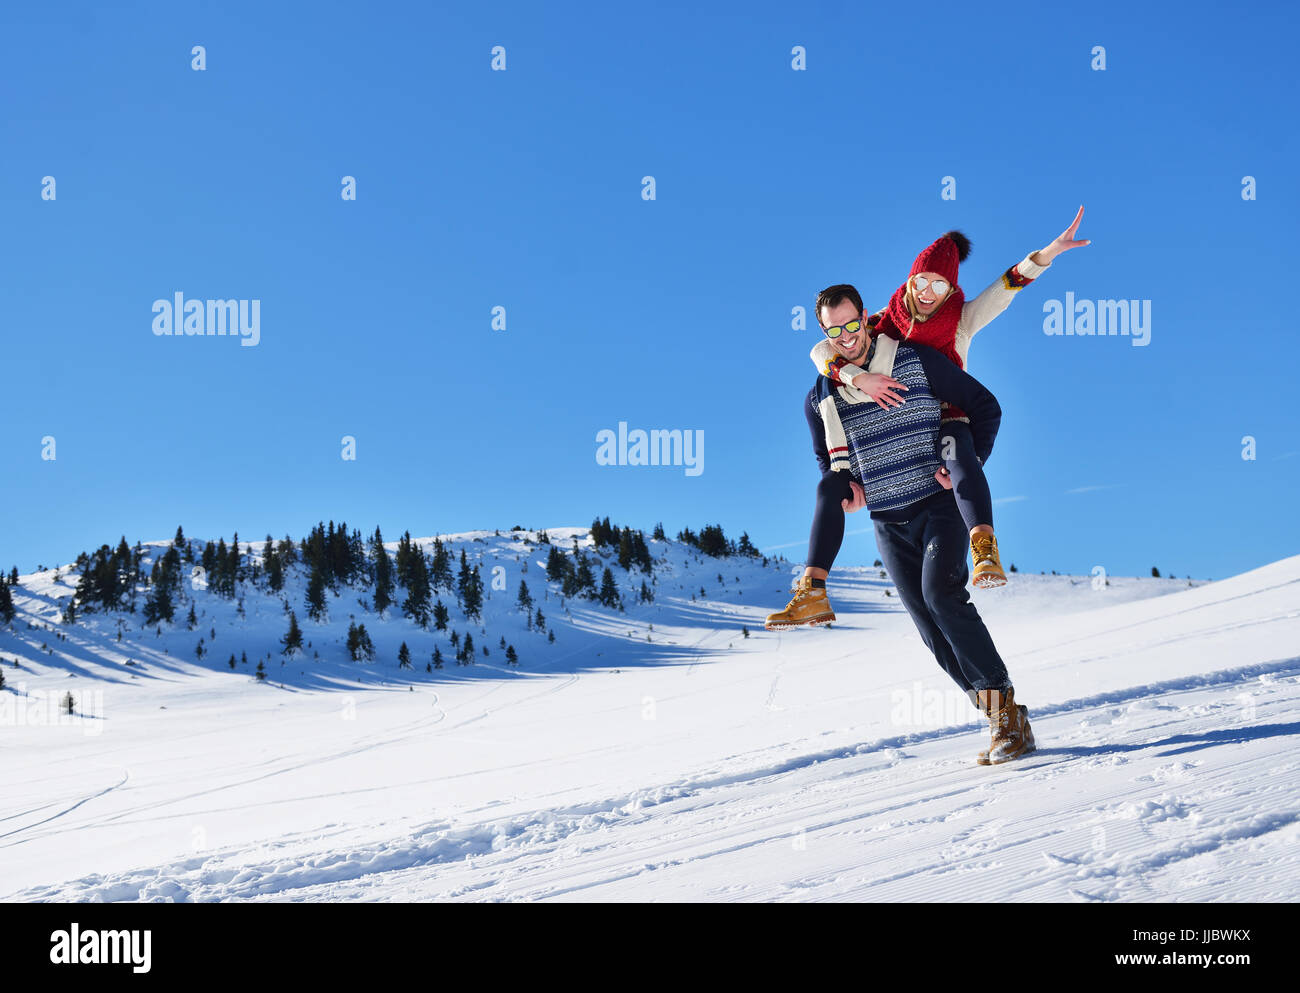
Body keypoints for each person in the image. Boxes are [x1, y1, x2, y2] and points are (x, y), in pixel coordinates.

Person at [767, 209, 1089, 630]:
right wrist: (856, 375)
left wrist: (1046, 255)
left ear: (950, 287)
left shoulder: (961, 320)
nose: (928, 292)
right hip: (906, 423)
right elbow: (822, 350)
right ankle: (813, 590)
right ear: (911, 280)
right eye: (922, 281)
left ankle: (984, 547)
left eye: (940, 284)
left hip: (948, 416)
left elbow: (1006, 288)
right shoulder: (888, 318)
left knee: (958, 451)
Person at [790, 283, 1035, 764]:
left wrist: (970, 459)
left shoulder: (916, 360)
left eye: (852, 324)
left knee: (942, 597)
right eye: (833, 330)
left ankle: (1005, 715)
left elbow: (985, 406)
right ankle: (1000, 714)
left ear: (867, 317)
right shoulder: (821, 396)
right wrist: (849, 487)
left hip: (937, 506)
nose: (846, 337)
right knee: (929, 627)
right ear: (824, 333)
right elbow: (827, 460)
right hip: (886, 522)